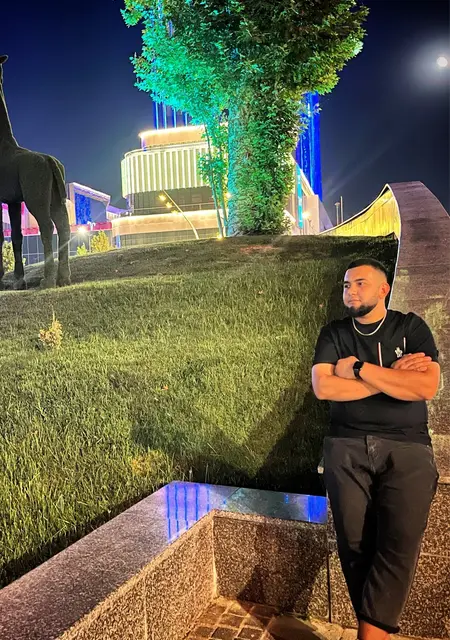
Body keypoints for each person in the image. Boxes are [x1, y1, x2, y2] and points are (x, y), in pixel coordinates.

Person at [311, 258, 440, 640]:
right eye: (346, 285)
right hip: (346, 443)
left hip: (408, 445)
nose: (350, 291)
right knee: (353, 544)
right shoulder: (334, 333)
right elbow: (324, 388)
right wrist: (393, 378)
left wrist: (357, 369)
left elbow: (425, 387)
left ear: (384, 289)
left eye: (360, 283)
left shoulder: (410, 327)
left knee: (400, 540)